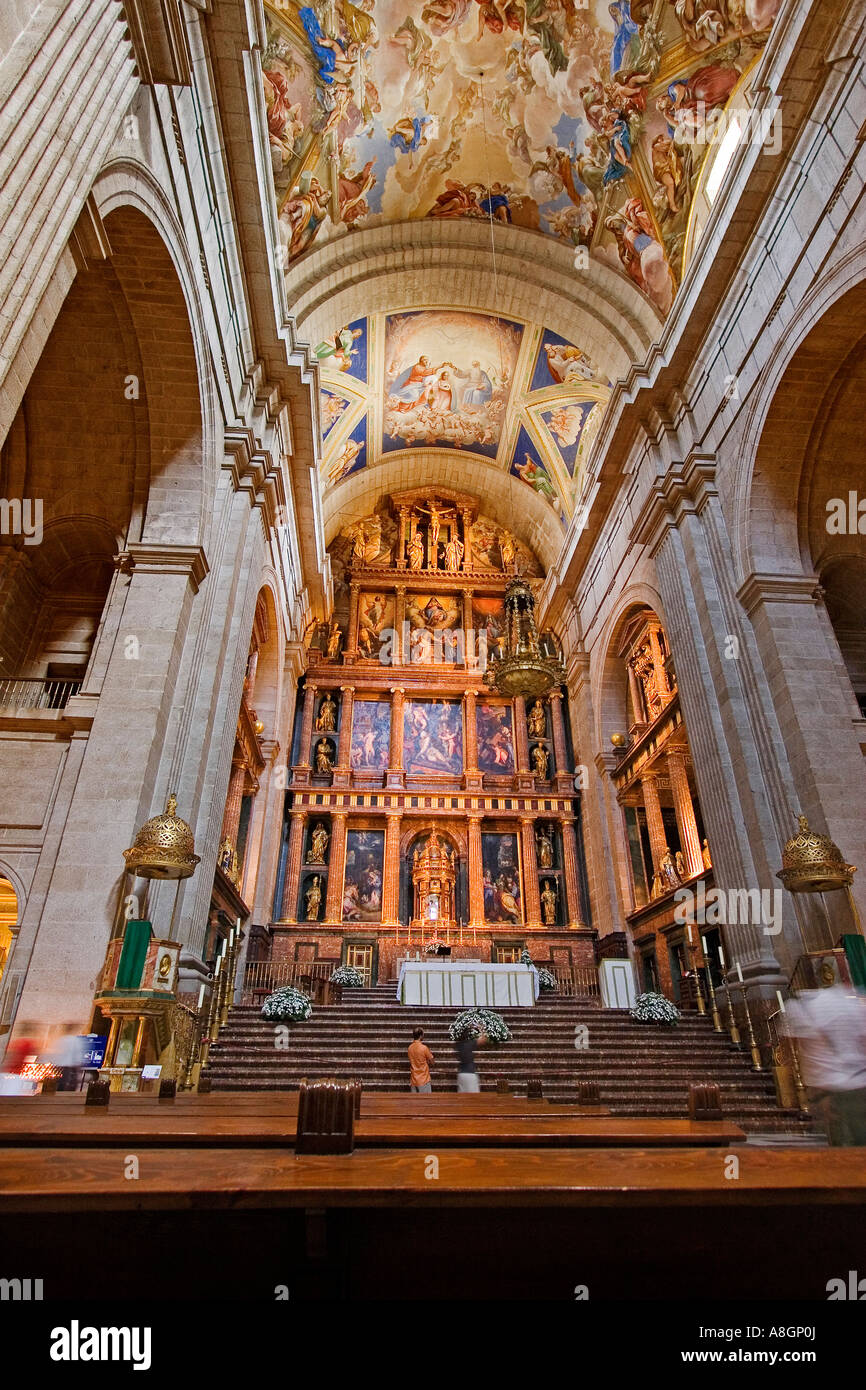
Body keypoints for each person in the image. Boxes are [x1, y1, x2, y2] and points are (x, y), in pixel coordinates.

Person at [784, 972, 866, 1146]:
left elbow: (790, 1049)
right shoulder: (850, 1001)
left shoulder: (801, 1006)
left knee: (841, 1142)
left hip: (826, 1085)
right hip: (858, 1081)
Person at [456, 1027, 487, 1093]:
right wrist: (481, 1029)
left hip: (461, 1075)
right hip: (470, 1074)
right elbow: (483, 1039)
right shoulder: (469, 1044)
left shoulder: (458, 1045)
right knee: (474, 1098)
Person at [408, 1027, 435, 1093]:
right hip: (424, 1080)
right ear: (420, 1036)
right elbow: (432, 1062)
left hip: (413, 1080)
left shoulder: (410, 1048)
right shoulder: (424, 1048)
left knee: (415, 1102)